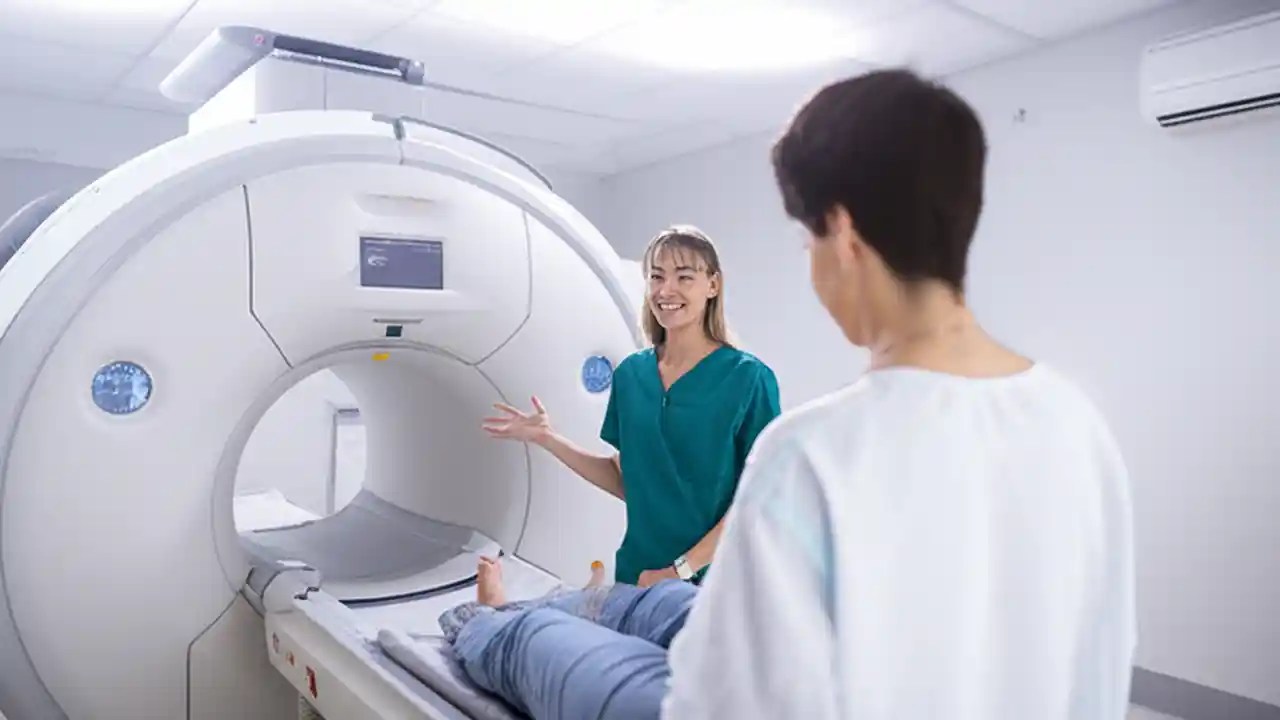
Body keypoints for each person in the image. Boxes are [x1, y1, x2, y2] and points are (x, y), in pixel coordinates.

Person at [454, 68, 1136, 720]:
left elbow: (716, 703)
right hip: (759, 626)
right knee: (647, 608)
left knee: (547, 649)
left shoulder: (813, 451)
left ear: (840, 235)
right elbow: (1101, 657)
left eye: (806, 237)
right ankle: (579, 608)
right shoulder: (1076, 422)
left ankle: (494, 623)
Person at [483, 226, 781, 587]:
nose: (665, 290)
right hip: (638, 575)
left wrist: (679, 571)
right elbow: (629, 481)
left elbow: (757, 500)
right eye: (656, 277)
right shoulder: (631, 375)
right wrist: (548, 438)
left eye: (684, 277)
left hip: (715, 583)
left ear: (713, 285)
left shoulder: (749, 379)